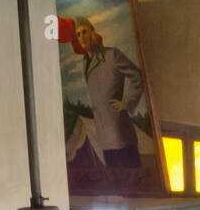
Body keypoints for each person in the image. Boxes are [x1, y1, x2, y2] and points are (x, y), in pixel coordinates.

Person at [61, 15, 146, 168]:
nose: (81, 37)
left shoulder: (112, 55)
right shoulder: (85, 64)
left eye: (84, 32)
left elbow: (137, 76)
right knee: (115, 180)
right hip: (104, 135)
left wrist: (128, 102)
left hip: (120, 132)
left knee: (132, 177)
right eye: (78, 34)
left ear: (93, 33)